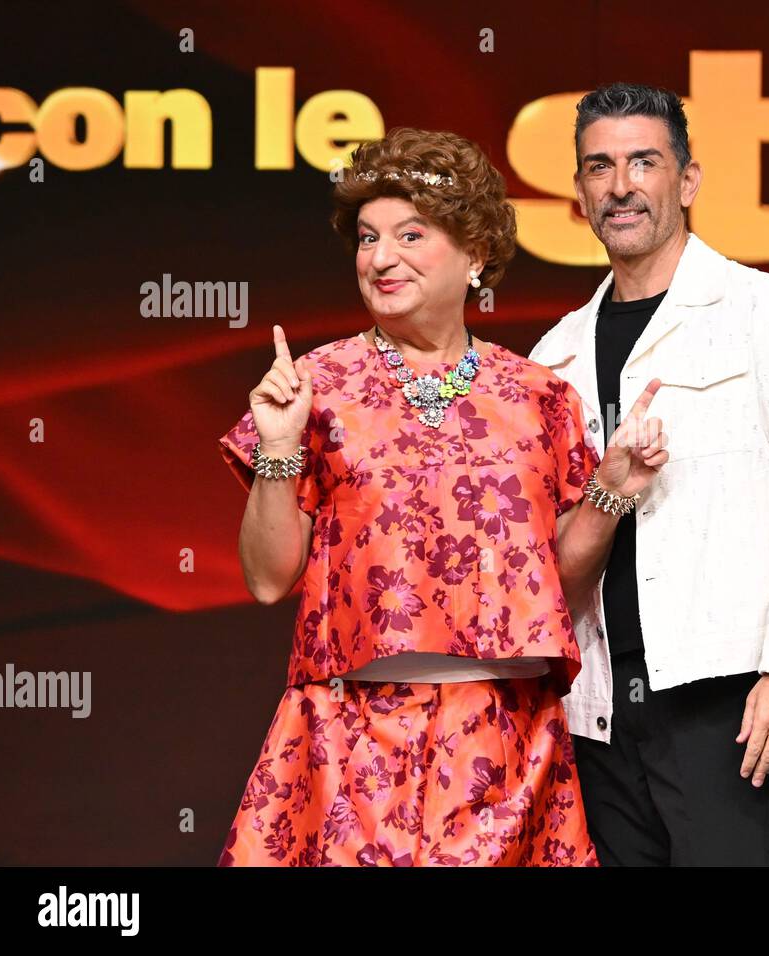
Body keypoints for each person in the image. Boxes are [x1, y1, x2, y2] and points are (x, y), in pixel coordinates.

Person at [215, 127, 667, 866]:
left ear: (476, 252)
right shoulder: (315, 385)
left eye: (410, 235)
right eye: (367, 239)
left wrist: (610, 491)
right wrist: (276, 448)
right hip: (347, 741)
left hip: (503, 741)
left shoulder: (538, 398)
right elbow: (268, 579)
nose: (380, 259)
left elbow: (557, 588)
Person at [529, 83, 769, 866]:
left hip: (721, 694)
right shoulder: (555, 354)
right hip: (597, 707)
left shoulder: (762, 311)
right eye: (599, 167)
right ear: (580, 193)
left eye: (644, 162)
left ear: (687, 180)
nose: (621, 185)